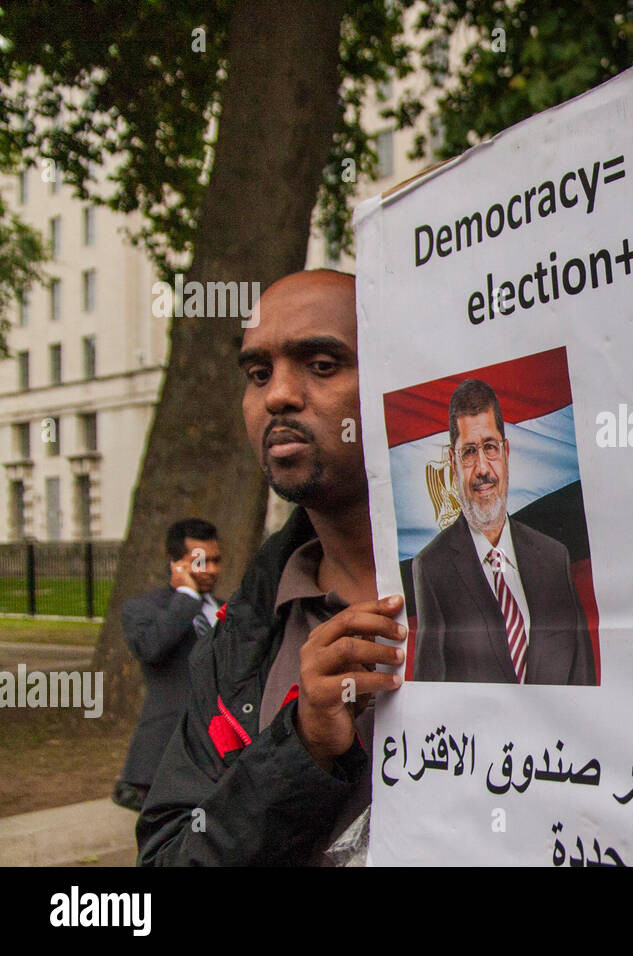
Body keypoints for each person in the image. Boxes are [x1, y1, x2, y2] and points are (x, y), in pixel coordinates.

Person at [137, 269, 406, 865]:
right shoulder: (241, 637)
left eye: (322, 364)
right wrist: (302, 747)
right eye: (258, 374)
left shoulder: (500, 589)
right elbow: (168, 857)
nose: (278, 395)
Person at [411, 379, 595, 684]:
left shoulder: (553, 558)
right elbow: (430, 700)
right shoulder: (431, 569)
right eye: (469, 452)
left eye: (490, 447)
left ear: (506, 451)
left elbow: (584, 677)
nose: (482, 468)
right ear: (452, 461)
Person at [112, 518, 223, 812]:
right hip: (166, 754)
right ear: (176, 563)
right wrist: (187, 596)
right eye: (201, 561)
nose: (211, 569)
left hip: (224, 755)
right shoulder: (143, 609)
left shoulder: (231, 610)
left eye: (215, 560)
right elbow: (152, 647)